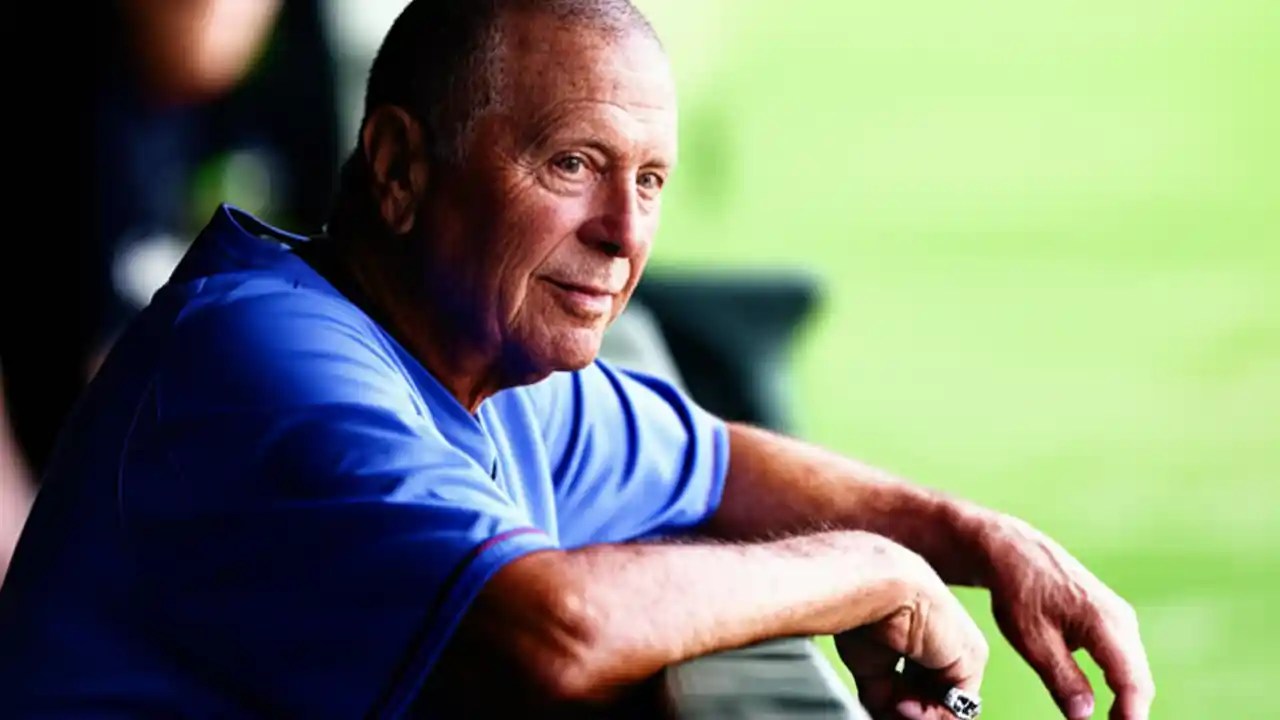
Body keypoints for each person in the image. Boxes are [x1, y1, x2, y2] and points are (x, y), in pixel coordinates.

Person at [0, 1, 1154, 718]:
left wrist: (984, 543)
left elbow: (714, 468)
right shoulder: (264, 365)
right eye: (570, 165)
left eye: (649, 181)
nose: (623, 233)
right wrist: (870, 572)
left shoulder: (481, 353)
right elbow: (555, 633)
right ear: (398, 169)